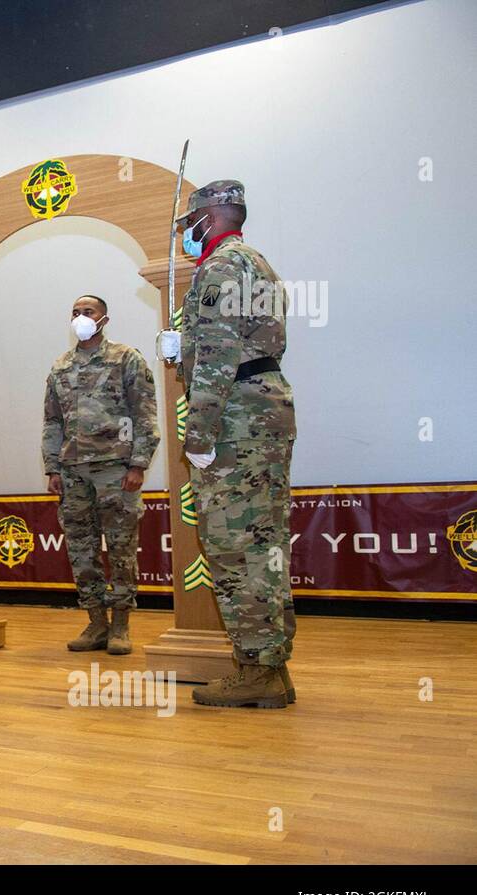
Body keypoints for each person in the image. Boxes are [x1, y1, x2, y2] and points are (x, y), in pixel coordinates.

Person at [165, 180, 297, 708]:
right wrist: (181, 351)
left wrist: (197, 433)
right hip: (262, 407)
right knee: (262, 541)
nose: (185, 234)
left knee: (232, 544)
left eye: (187, 223)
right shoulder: (257, 262)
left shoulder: (219, 267)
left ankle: (255, 671)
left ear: (211, 215)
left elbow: (220, 356)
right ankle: (270, 666)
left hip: (235, 416)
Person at [43, 295, 160, 654]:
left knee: (122, 548)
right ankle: (96, 623)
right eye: (75, 312)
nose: (81, 317)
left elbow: (145, 414)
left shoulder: (126, 358)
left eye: (88, 312)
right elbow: (52, 421)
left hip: (115, 469)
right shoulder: (60, 367)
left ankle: (121, 626)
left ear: (104, 319)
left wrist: (139, 463)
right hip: (73, 471)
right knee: (81, 549)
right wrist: (52, 467)